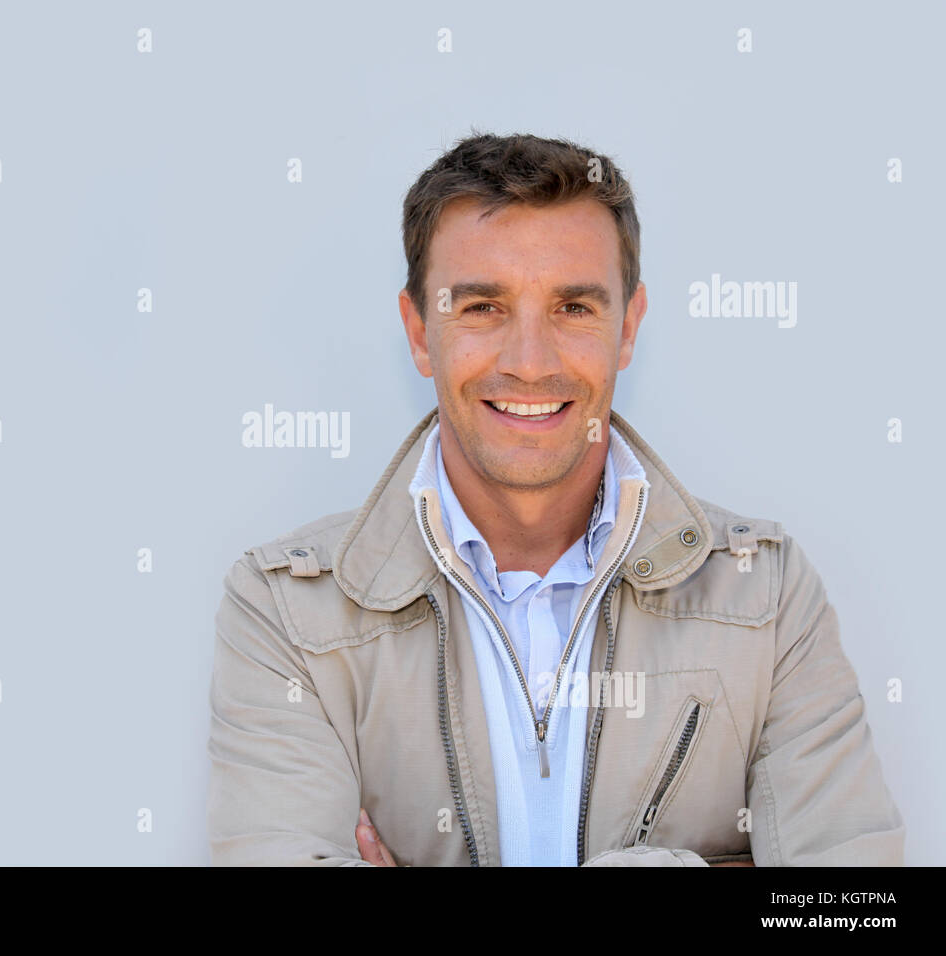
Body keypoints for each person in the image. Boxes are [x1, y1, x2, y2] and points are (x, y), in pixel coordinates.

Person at [207, 131, 905, 866]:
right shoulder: (285, 609)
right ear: (420, 333)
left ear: (627, 328)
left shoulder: (765, 594)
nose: (530, 363)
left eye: (574, 307)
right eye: (482, 307)